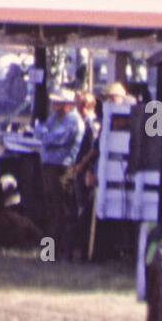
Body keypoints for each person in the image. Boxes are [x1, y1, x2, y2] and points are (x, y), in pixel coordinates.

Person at [34, 89, 85, 259]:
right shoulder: (54, 118)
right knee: (50, 210)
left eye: (57, 103)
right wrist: (45, 135)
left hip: (63, 169)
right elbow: (38, 132)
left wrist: (45, 136)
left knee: (61, 210)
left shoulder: (74, 121)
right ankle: (48, 253)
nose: (53, 105)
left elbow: (58, 139)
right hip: (49, 167)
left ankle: (63, 252)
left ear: (67, 105)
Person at [72, 92, 100, 259]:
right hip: (82, 170)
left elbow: (93, 150)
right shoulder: (88, 124)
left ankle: (85, 252)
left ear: (84, 107)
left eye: (78, 105)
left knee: (84, 212)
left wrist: (86, 169)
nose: (76, 109)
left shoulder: (92, 125)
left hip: (86, 173)